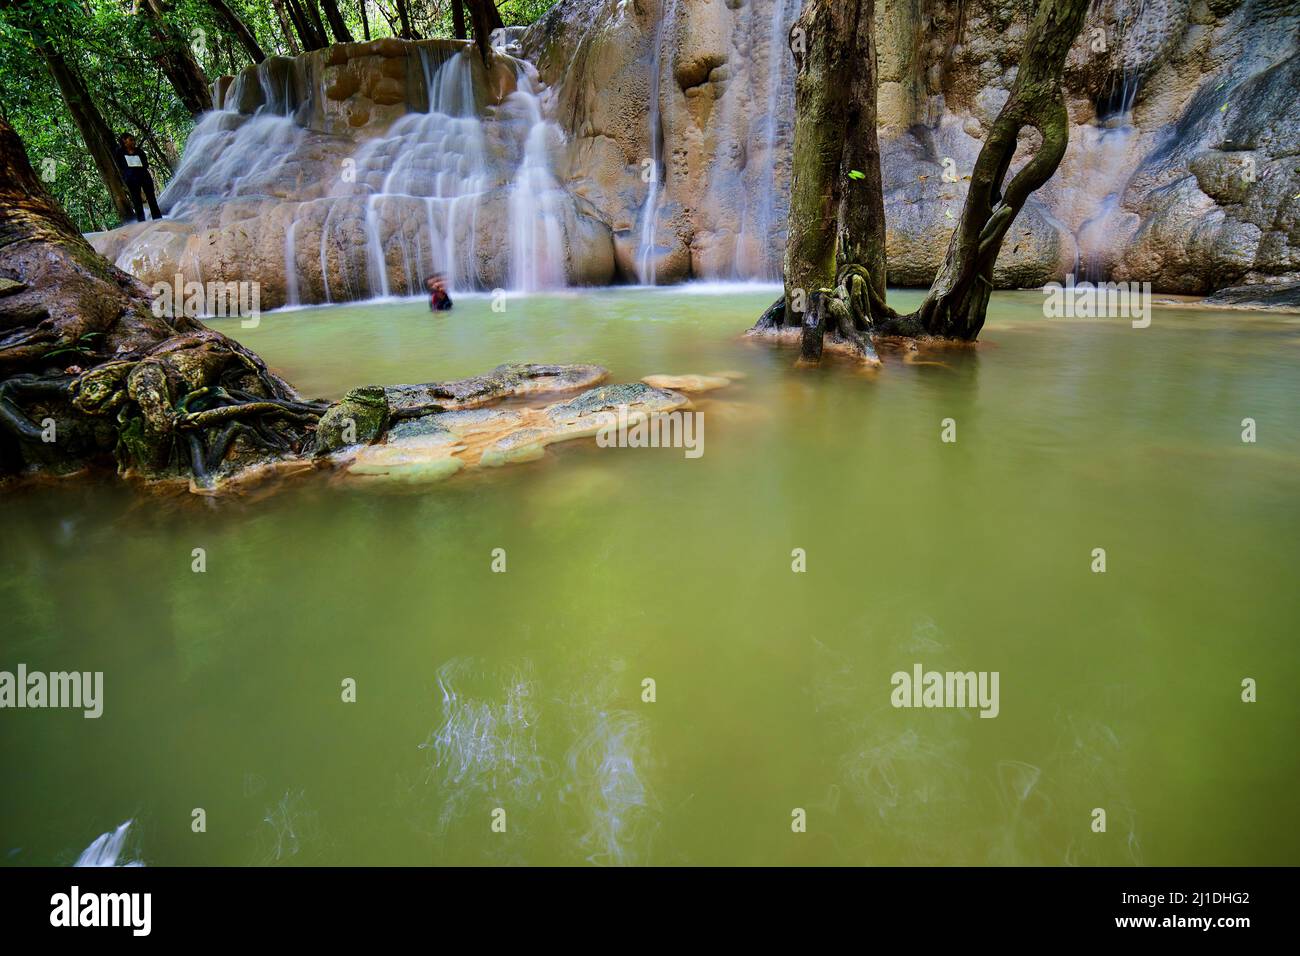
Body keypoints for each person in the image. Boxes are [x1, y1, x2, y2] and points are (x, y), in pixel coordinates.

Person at [113, 133, 162, 223]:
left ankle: (158, 219)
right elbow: (120, 166)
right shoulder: (120, 153)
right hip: (131, 179)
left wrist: (138, 164)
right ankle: (142, 222)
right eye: (131, 140)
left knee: (151, 198)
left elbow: (146, 164)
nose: (133, 142)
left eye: (134, 140)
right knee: (137, 200)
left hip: (144, 176)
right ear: (124, 141)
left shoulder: (139, 151)